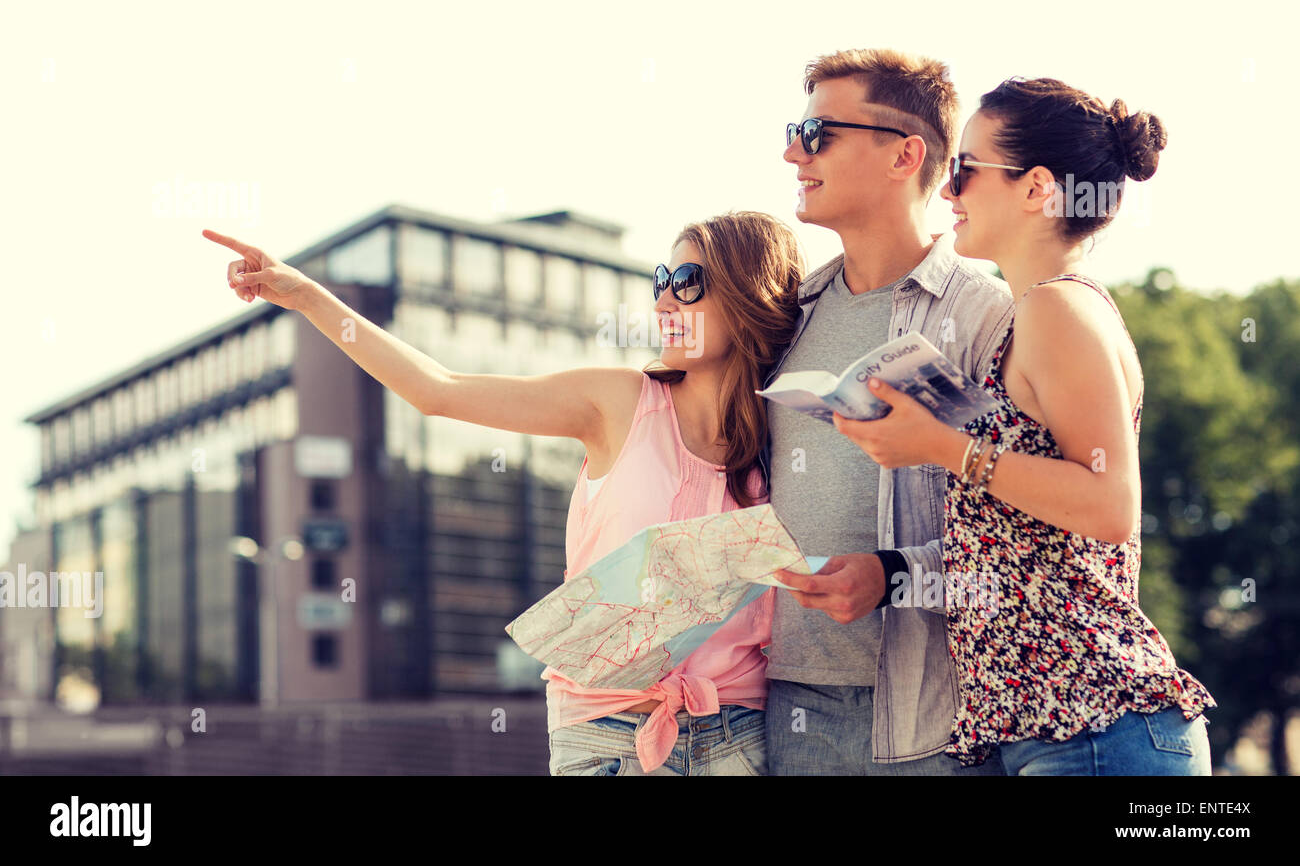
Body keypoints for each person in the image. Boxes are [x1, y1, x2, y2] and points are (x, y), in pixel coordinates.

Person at [203, 210, 803, 775]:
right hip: (609, 736)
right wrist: (304, 295)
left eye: (689, 281)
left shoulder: (788, 438)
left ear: (747, 296)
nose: (665, 298)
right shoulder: (617, 402)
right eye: (662, 279)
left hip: (741, 739)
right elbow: (438, 390)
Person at [831, 77, 1217, 775]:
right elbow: (1020, 540)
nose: (948, 192)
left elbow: (1109, 504)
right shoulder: (1037, 314)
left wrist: (943, 446)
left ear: (1038, 189)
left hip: (1096, 729)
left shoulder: (1058, 311)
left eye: (965, 171)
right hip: (1054, 732)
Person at [764, 48, 1014, 775]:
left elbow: (1026, 532)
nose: (791, 153)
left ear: (905, 155)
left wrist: (892, 575)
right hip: (790, 703)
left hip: (938, 711)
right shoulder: (787, 315)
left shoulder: (986, 313)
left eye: (817, 135)